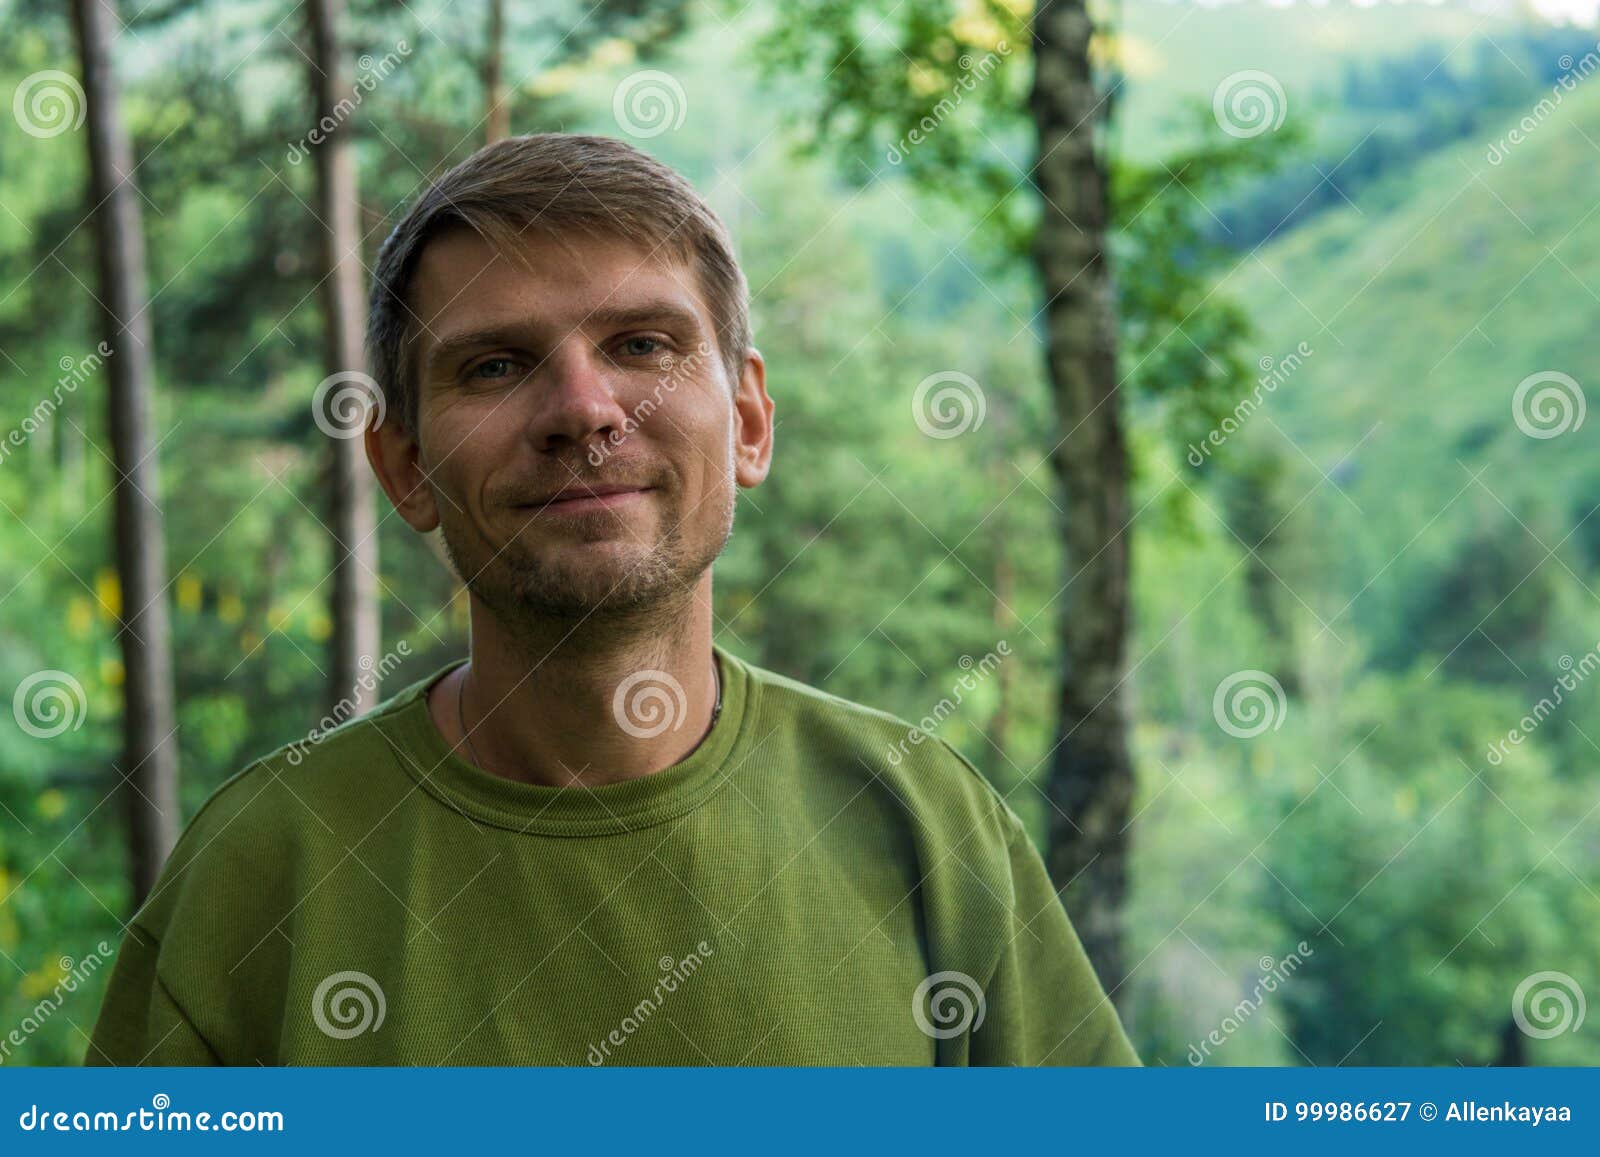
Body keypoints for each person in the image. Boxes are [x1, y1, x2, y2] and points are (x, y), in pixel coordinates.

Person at [87, 134, 1138, 1067]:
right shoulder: (264, 870)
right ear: (404, 466)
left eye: (641, 345)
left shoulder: (927, 825)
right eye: (495, 366)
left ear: (749, 422)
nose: (583, 409)